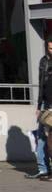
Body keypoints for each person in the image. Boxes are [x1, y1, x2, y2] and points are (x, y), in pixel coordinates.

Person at [35, 40, 52, 180]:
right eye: (49, 47)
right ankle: (43, 168)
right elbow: (41, 84)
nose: (51, 50)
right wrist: (38, 106)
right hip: (46, 103)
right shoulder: (44, 61)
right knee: (42, 135)